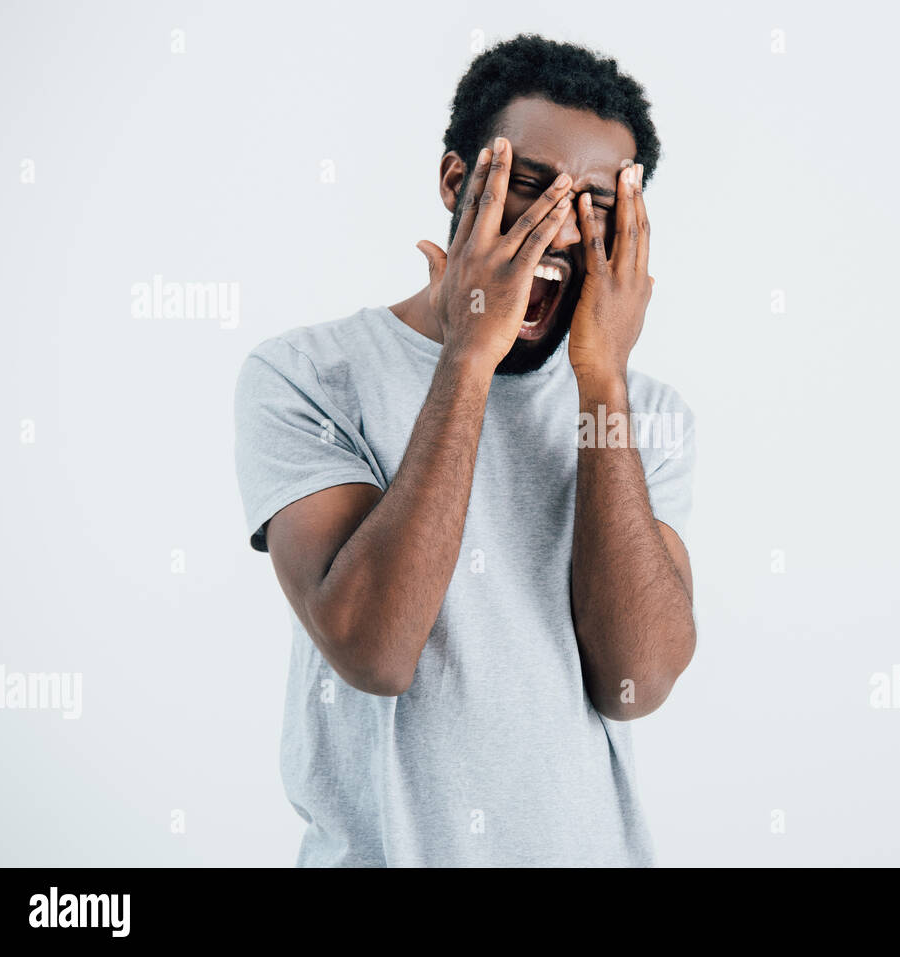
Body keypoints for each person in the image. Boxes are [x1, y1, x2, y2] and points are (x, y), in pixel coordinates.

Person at [232, 34, 697, 867]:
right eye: (531, 187)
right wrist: (467, 360)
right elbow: (373, 650)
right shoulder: (305, 376)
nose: (561, 229)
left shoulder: (641, 411)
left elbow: (638, 680)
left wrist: (602, 380)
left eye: (597, 204)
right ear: (458, 181)